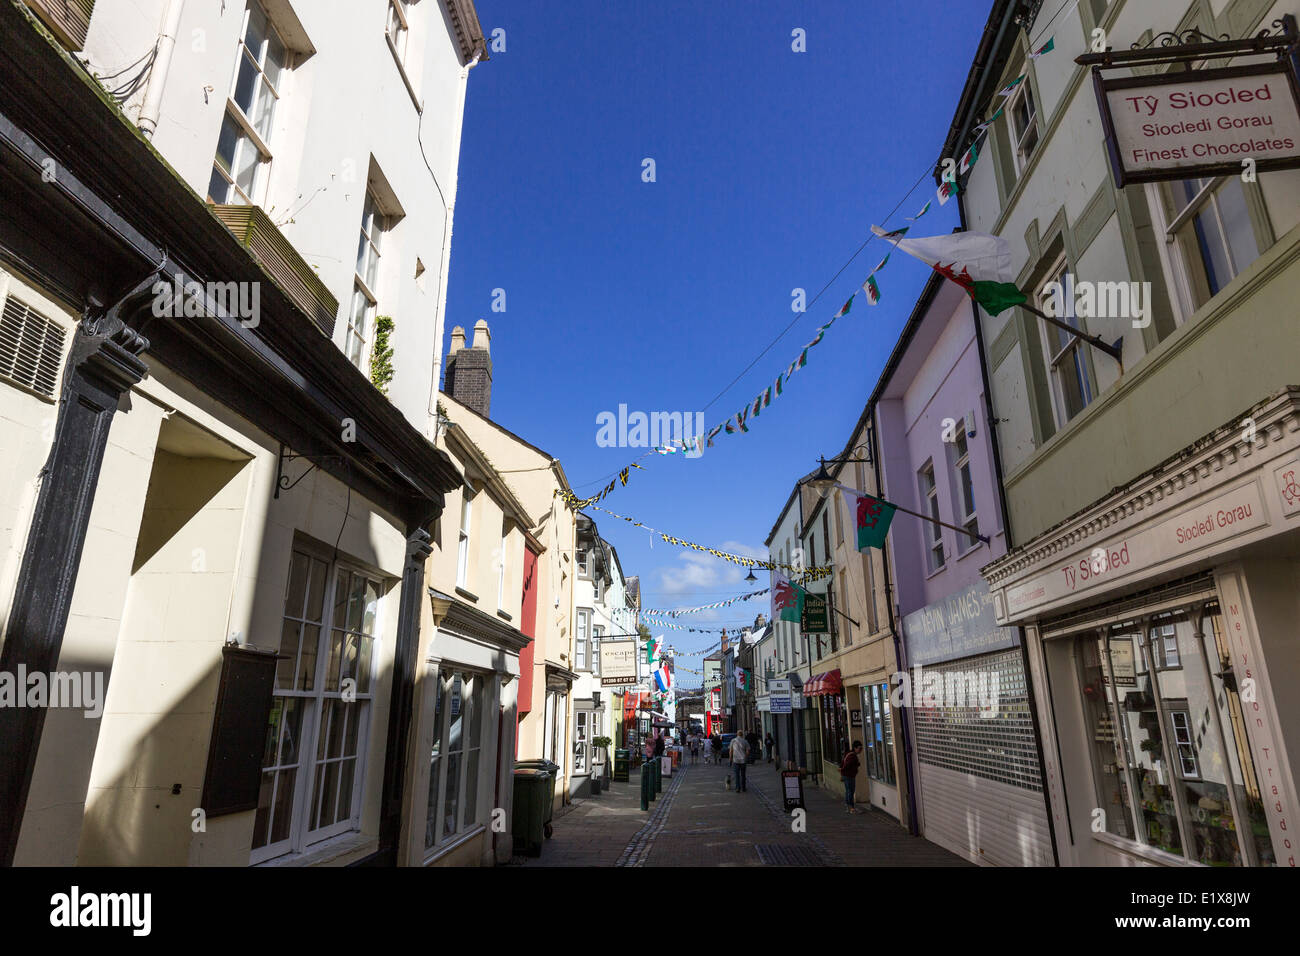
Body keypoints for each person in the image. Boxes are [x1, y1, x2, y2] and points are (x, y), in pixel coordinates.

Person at [840, 741, 864, 814]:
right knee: (850, 791)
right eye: (859, 748)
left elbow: (843, 763)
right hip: (849, 776)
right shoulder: (852, 755)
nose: (860, 750)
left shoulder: (848, 753)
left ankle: (848, 807)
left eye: (861, 748)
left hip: (846, 775)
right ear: (855, 748)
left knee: (848, 791)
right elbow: (847, 765)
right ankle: (852, 808)